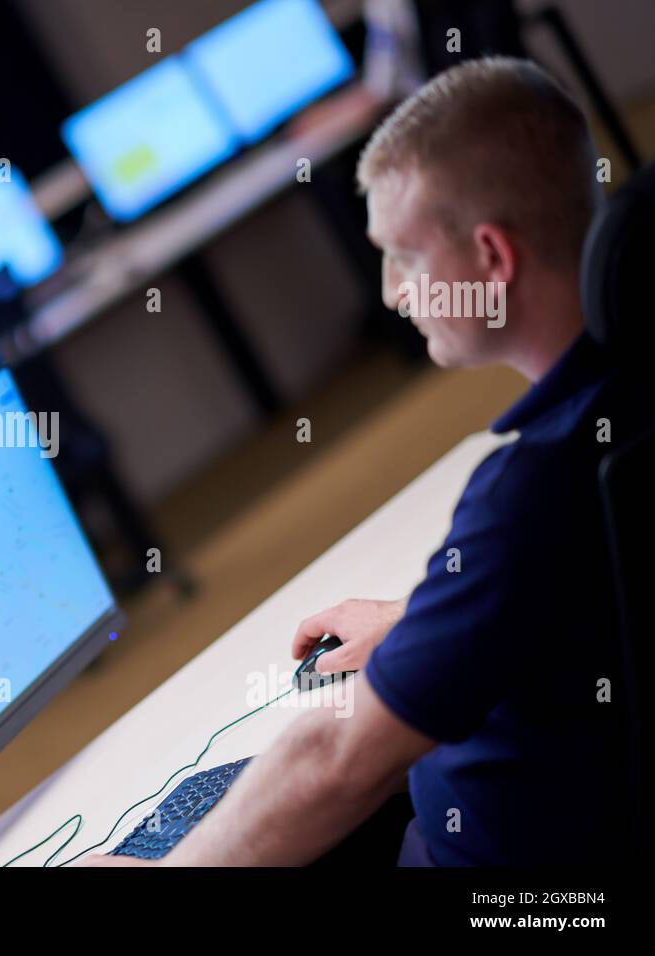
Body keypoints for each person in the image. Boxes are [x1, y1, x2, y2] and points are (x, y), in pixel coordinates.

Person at [82, 57, 634, 867]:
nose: (389, 293)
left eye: (404, 258)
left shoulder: (531, 493)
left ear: (491, 258)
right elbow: (573, 603)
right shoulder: (624, 400)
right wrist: (425, 629)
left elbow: (334, 768)